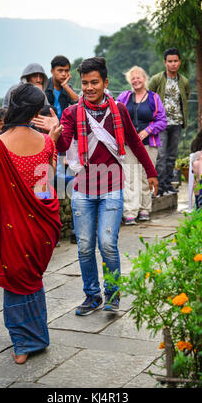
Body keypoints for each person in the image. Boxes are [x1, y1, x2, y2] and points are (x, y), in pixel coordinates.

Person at [35, 57, 158, 316]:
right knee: (84, 245)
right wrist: (54, 132)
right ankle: (92, 295)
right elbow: (63, 146)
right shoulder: (71, 114)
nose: (89, 88)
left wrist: (151, 172)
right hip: (82, 189)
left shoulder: (119, 111)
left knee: (107, 244)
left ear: (105, 83)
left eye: (94, 82)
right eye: (85, 83)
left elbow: (135, 143)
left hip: (112, 186)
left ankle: (112, 293)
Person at [0, 83, 62, 364]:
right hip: (42, 226)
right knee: (32, 278)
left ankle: (22, 344)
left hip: (13, 226)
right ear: (35, 112)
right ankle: (38, 337)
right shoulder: (46, 143)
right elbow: (46, 186)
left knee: (16, 280)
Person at [117, 66, 167, 223]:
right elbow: (116, 115)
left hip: (149, 144)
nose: (136, 80)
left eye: (138, 77)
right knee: (130, 177)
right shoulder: (124, 97)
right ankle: (130, 212)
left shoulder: (154, 97)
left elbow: (162, 121)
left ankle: (145, 209)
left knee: (147, 177)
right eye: (132, 78)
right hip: (128, 145)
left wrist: (148, 130)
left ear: (145, 79)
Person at [148, 47, 190, 196]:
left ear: (179, 62)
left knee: (172, 156)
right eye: (170, 61)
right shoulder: (157, 79)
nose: (173, 64)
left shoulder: (183, 81)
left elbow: (185, 98)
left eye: (175, 61)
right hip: (161, 124)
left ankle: (167, 185)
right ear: (165, 62)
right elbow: (148, 96)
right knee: (161, 155)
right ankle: (158, 187)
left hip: (177, 123)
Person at [45, 55, 79, 121]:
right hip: (46, 126)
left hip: (63, 126)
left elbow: (78, 103)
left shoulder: (67, 87)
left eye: (66, 71)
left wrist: (65, 86)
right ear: (52, 71)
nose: (64, 74)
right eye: (60, 71)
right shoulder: (45, 86)